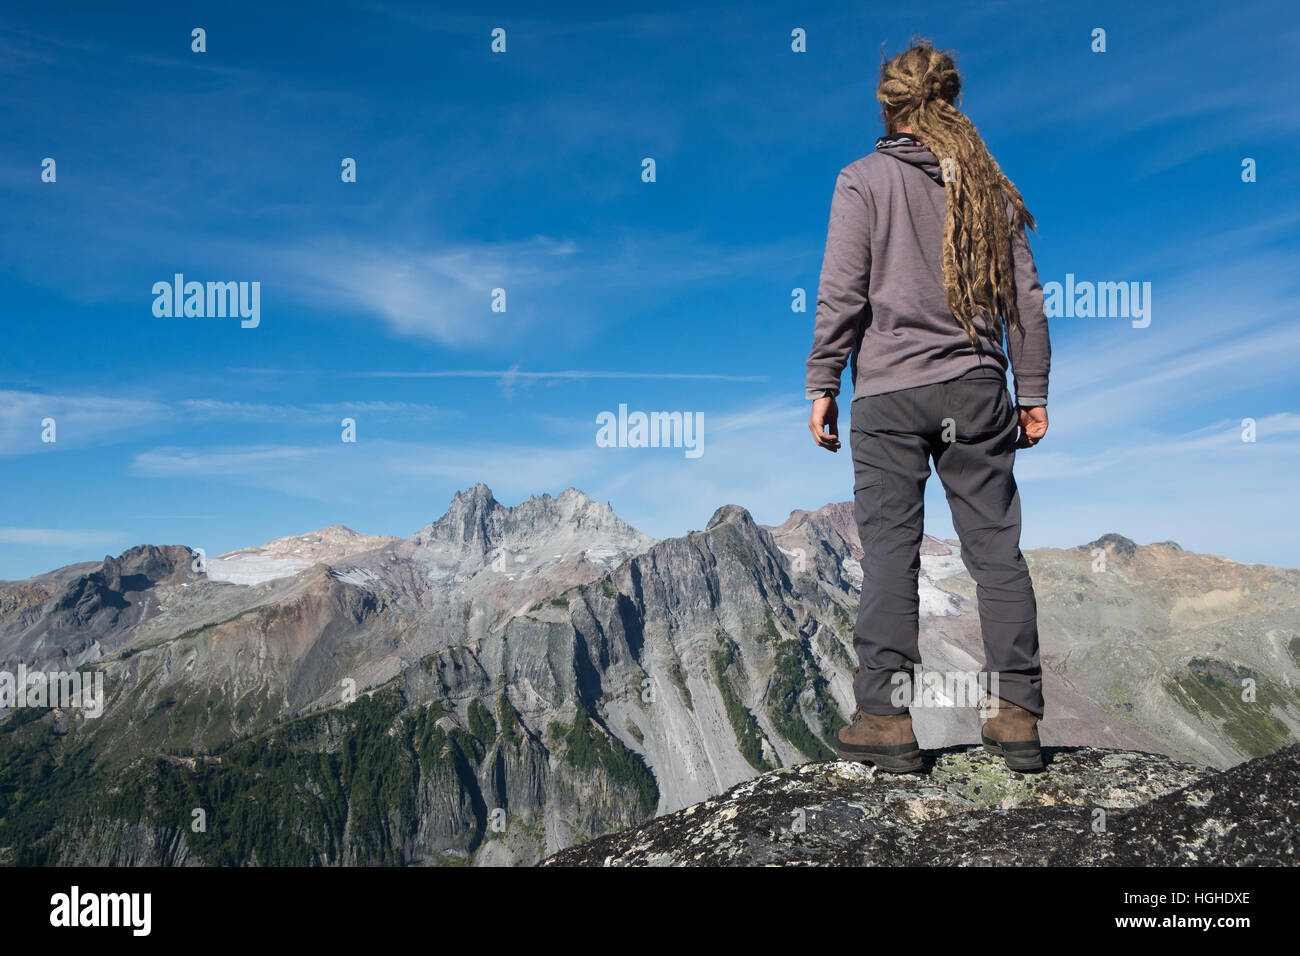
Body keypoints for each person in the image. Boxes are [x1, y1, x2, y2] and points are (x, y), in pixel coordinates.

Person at [805, 39, 1050, 773]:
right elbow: (1026, 305)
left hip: (887, 394)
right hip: (978, 390)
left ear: (886, 105)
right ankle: (1017, 718)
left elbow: (842, 294)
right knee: (997, 555)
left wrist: (822, 381)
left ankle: (884, 720)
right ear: (950, 103)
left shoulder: (862, 180)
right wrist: (1031, 394)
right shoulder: (990, 190)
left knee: (889, 554)